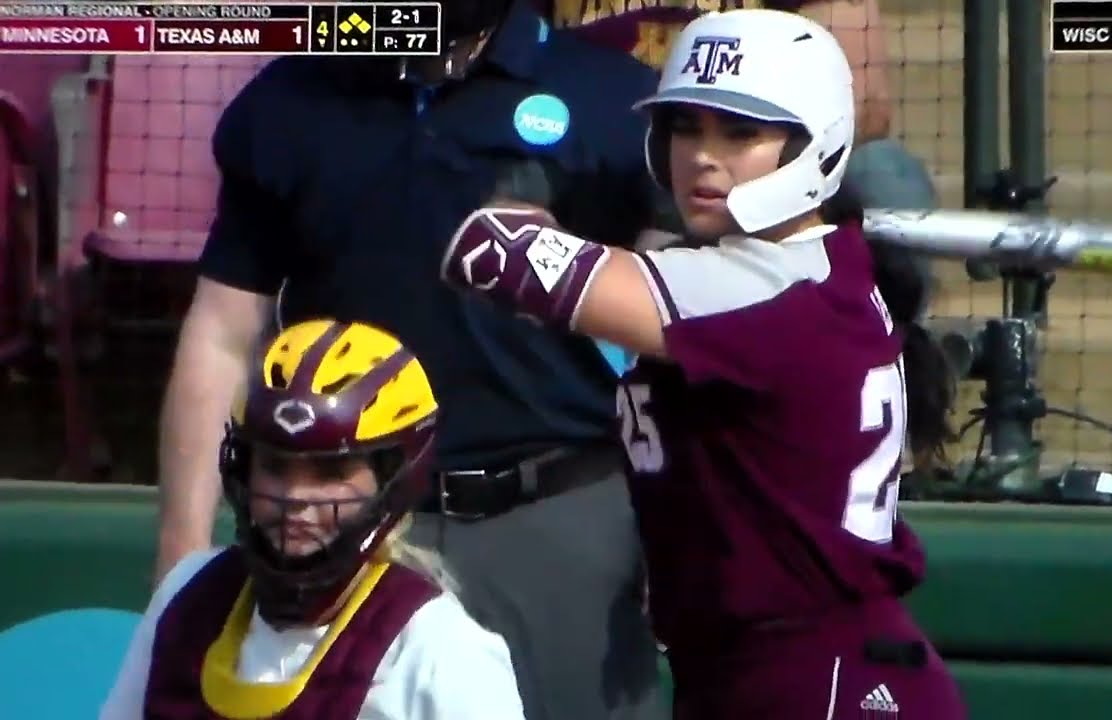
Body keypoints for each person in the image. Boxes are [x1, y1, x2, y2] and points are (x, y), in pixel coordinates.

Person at [440, 9, 965, 719]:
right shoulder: (794, 269)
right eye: (687, 127)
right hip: (750, 669)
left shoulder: (761, 290)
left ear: (814, 145)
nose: (703, 157)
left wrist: (536, 206)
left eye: (742, 133)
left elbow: (492, 251)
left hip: (818, 679)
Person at [152, 2, 666, 719]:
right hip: (353, 527)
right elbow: (222, 336)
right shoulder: (290, 100)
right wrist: (180, 557)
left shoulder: (616, 101)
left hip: (560, 515)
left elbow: (688, 332)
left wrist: (680, 521)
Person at [101, 319, 525, 720]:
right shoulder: (187, 595)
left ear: (391, 480)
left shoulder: (441, 650)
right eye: (275, 465)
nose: (295, 499)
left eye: (330, 474)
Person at [543, 0, 940, 212]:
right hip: (577, 140)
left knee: (886, 175)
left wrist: (756, 158)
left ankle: (893, 350)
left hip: (741, 145)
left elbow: (863, 101)